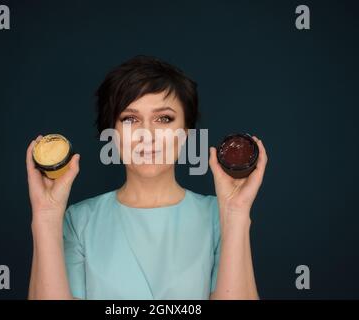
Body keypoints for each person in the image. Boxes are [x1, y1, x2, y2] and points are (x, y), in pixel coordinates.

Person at [27, 55, 268, 300]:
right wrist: (46, 217)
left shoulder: (218, 216)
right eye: (130, 119)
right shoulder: (78, 222)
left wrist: (236, 213)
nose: (147, 135)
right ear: (111, 134)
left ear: (186, 133)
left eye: (163, 119)